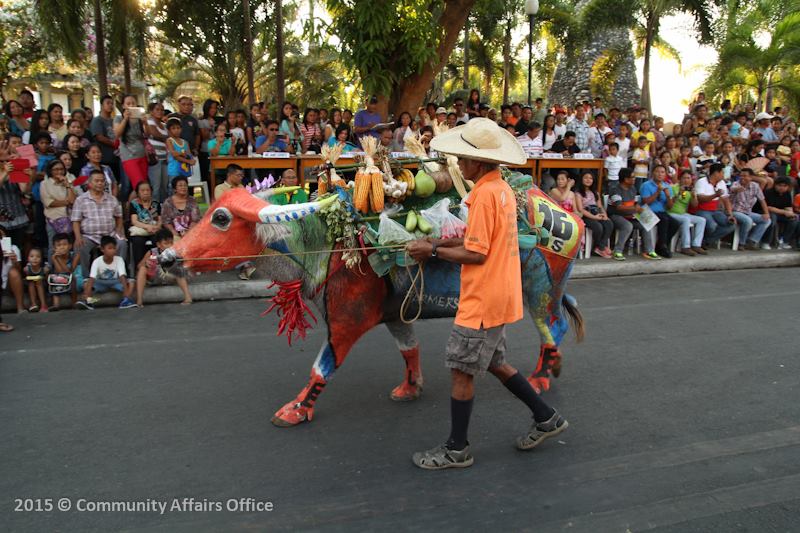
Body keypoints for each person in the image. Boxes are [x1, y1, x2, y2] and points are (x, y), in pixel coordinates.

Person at [406, 118, 568, 470]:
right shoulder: (501, 189)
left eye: (464, 158)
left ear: (479, 162)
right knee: (494, 362)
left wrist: (431, 252)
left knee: (462, 370)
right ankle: (547, 417)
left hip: (483, 299)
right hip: (500, 294)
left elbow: (476, 253)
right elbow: (478, 240)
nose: (460, 163)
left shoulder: (483, 195)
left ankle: (456, 448)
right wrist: (437, 241)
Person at [71, 170, 128, 276]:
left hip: (109, 234)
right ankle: (85, 277)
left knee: (122, 243)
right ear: (89, 183)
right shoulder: (81, 200)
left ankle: (119, 274)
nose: (100, 183)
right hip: (89, 236)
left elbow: (119, 217)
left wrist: (118, 231)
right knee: (80, 246)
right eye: (97, 181)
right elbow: (76, 221)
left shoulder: (112, 199)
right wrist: (78, 236)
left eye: (102, 181)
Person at [607, 168, 659, 261]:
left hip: (630, 215)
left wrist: (639, 210)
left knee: (646, 222)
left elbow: (635, 203)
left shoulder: (633, 188)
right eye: (632, 177)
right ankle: (617, 251)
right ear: (626, 179)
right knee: (628, 226)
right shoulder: (615, 189)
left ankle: (649, 250)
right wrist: (635, 209)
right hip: (615, 215)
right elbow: (619, 207)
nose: (635, 179)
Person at [135, 228, 192, 307]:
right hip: (155, 277)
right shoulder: (152, 252)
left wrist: (179, 258)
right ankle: (139, 300)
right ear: (158, 244)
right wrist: (146, 263)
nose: (169, 246)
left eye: (171, 243)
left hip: (170, 277)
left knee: (179, 269)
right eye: (166, 243)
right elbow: (139, 266)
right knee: (142, 269)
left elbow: (185, 264)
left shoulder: (175, 251)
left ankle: (188, 297)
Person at [78, 235, 137, 310]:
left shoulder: (119, 260)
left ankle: (126, 300)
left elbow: (122, 276)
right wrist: (87, 294)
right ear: (102, 249)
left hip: (116, 281)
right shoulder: (97, 261)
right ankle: (89, 302)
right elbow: (92, 278)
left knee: (131, 281)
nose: (113, 250)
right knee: (86, 282)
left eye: (114, 248)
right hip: (101, 282)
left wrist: (126, 292)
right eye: (110, 248)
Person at [639, 164, 680, 258]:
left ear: (665, 174)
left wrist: (668, 196)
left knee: (675, 223)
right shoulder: (646, 185)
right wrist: (657, 192)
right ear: (653, 173)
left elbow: (670, 207)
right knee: (664, 220)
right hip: (646, 212)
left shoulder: (667, 186)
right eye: (657, 171)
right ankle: (663, 247)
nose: (660, 174)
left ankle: (661, 245)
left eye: (662, 172)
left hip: (661, 212)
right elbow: (646, 203)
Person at [113, 94, 149, 195]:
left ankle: (139, 208)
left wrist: (145, 123)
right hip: (129, 157)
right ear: (123, 106)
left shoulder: (139, 119)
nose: (131, 105)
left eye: (133, 103)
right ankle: (131, 209)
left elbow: (147, 134)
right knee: (139, 186)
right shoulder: (118, 118)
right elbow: (117, 134)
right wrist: (125, 119)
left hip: (142, 155)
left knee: (143, 186)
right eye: (128, 103)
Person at [694, 163, 736, 248]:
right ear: (716, 173)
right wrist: (715, 195)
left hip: (715, 210)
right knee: (712, 225)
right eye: (722, 173)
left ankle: (705, 241)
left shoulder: (722, 183)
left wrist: (730, 214)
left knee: (731, 225)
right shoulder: (701, 182)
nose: (723, 175)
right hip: (702, 210)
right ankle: (702, 242)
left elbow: (726, 199)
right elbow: (700, 199)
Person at [729, 168, 772, 250]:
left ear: (751, 177)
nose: (742, 178)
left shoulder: (755, 186)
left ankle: (752, 241)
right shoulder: (736, 184)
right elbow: (733, 189)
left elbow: (762, 200)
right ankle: (742, 243)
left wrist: (766, 213)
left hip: (748, 212)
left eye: (745, 176)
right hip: (735, 211)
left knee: (767, 220)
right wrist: (738, 190)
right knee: (748, 221)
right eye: (741, 176)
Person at [40, 159, 76, 252]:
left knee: (68, 247)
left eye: (61, 169)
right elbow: (49, 203)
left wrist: (68, 185)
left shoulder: (68, 182)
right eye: (55, 169)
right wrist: (66, 202)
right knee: (53, 248)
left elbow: (72, 200)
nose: (59, 172)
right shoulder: (44, 184)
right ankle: (52, 266)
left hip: (68, 220)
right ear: (50, 171)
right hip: (53, 220)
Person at [667, 171, 707, 256]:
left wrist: (694, 196)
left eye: (688, 178)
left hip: (683, 214)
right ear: (680, 179)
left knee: (701, 220)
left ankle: (696, 245)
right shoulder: (673, 188)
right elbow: (669, 204)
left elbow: (694, 205)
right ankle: (685, 246)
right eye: (684, 178)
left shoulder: (689, 190)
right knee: (686, 219)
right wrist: (679, 193)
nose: (686, 180)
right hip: (671, 213)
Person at [575, 171, 613, 257]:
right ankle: (599, 247)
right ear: (581, 179)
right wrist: (594, 217)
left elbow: (600, 206)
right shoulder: (578, 194)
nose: (588, 180)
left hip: (596, 213)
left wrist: (604, 215)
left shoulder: (595, 193)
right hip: (586, 216)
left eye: (590, 178)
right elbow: (581, 209)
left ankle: (600, 247)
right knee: (598, 227)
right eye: (586, 178)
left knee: (609, 223)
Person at [129, 180, 162, 269]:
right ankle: (140, 269)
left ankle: (155, 268)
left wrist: (157, 227)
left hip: (154, 230)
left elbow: (160, 220)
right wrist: (147, 227)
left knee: (158, 242)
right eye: (142, 191)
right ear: (138, 193)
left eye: (148, 190)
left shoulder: (156, 203)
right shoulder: (134, 204)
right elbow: (134, 221)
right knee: (137, 242)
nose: (145, 192)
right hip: (141, 230)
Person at [764, 177, 798, 249]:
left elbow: (788, 207)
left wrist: (791, 213)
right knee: (772, 218)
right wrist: (784, 212)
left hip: (781, 214)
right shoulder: (768, 192)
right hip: (767, 212)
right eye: (780, 185)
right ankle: (766, 242)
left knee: (794, 220)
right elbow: (769, 208)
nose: (782, 187)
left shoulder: (787, 194)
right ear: (775, 185)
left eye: (784, 186)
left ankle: (785, 241)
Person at [49, 232, 80, 310]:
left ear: (70, 246)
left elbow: (68, 272)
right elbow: (59, 272)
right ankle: (56, 306)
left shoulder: (75, 256)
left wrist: (58, 258)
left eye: (64, 244)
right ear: (54, 248)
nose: (62, 247)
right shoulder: (53, 257)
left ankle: (74, 303)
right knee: (54, 280)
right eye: (59, 245)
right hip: (61, 280)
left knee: (72, 279)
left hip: (76, 279)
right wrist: (55, 259)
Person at [145, 102, 169, 202]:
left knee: (165, 185)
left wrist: (162, 137)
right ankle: (155, 209)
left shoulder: (164, 125)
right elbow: (154, 133)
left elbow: (160, 136)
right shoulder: (149, 122)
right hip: (155, 158)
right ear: (151, 111)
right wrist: (166, 138)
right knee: (156, 186)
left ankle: (163, 208)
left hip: (164, 158)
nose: (160, 112)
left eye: (162, 110)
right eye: (157, 109)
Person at [90, 95, 119, 178]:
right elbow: (99, 137)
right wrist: (115, 145)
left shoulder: (114, 120)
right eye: (108, 103)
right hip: (104, 158)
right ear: (102, 105)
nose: (110, 105)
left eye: (112, 103)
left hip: (116, 158)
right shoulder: (97, 120)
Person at [0, 227, 25, 314]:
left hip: (8, 284)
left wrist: (14, 261)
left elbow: (19, 272)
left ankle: (20, 308)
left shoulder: (13, 248)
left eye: (2, 236)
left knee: (13, 272)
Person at [166, 117, 196, 187]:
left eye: (178, 128)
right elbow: (174, 155)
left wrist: (192, 160)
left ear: (181, 129)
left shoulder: (185, 142)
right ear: (169, 130)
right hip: (174, 170)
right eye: (173, 128)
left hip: (184, 170)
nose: (176, 130)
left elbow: (189, 155)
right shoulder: (169, 140)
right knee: (173, 188)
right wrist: (184, 156)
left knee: (183, 187)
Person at [197, 99, 219, 187]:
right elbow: (204, 137)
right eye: (211, 108)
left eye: (215, 108)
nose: (213, 110)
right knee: (206, 175)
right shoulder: (201, 121)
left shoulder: (217, 120)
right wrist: (210, 126)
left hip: (217, 150)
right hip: (206, 150)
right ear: (206, 108)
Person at [24, 247, 49, 312]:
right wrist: (26, 272)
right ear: (28, 258)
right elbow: (27, 278)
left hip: (42, 284)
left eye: (38, 257)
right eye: (32, 256)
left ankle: (43, 305)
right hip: (31, 285)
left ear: (41, 259)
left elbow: (47, 279)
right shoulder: (28, 268)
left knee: (38, 281)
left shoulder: (44, 267)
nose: (35, 258)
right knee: (31, 283)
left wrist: (46, 273)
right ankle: (33, 304)